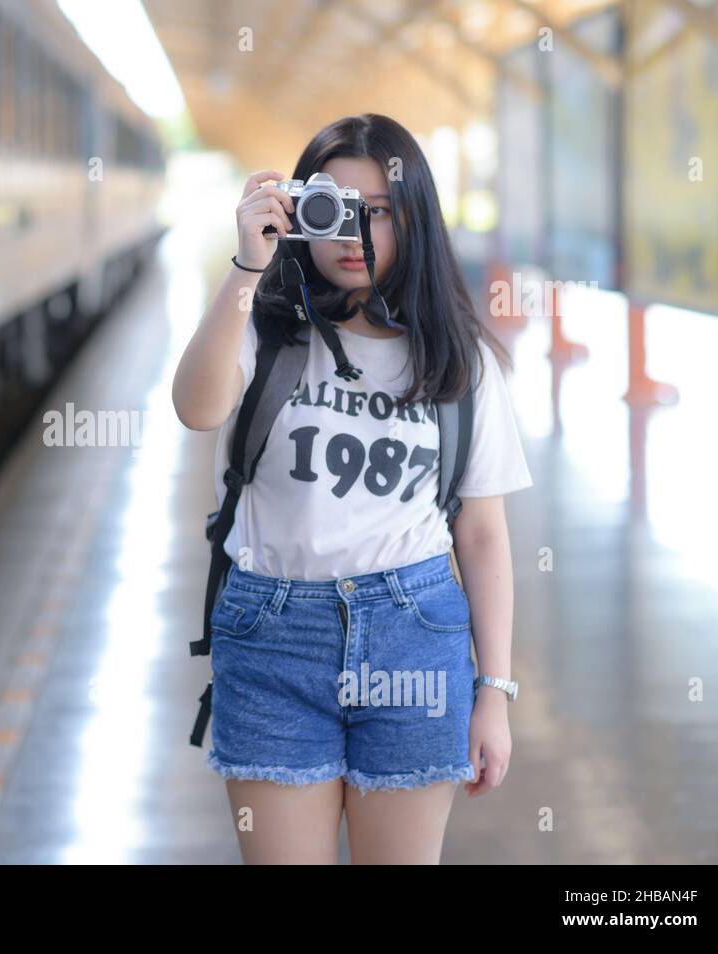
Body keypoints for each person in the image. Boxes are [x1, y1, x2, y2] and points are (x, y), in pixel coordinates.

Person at [171, 114, 533, 864]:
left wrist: (493, 691)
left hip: (416, 634)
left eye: (378, 213)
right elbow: (195, 406)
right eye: (330, 208)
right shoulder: (264, 331)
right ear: (296, 210)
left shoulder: (460, 362)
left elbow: (484, 533)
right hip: (273, 638)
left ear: (416, 220)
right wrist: (246, 269)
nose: (352, 233)